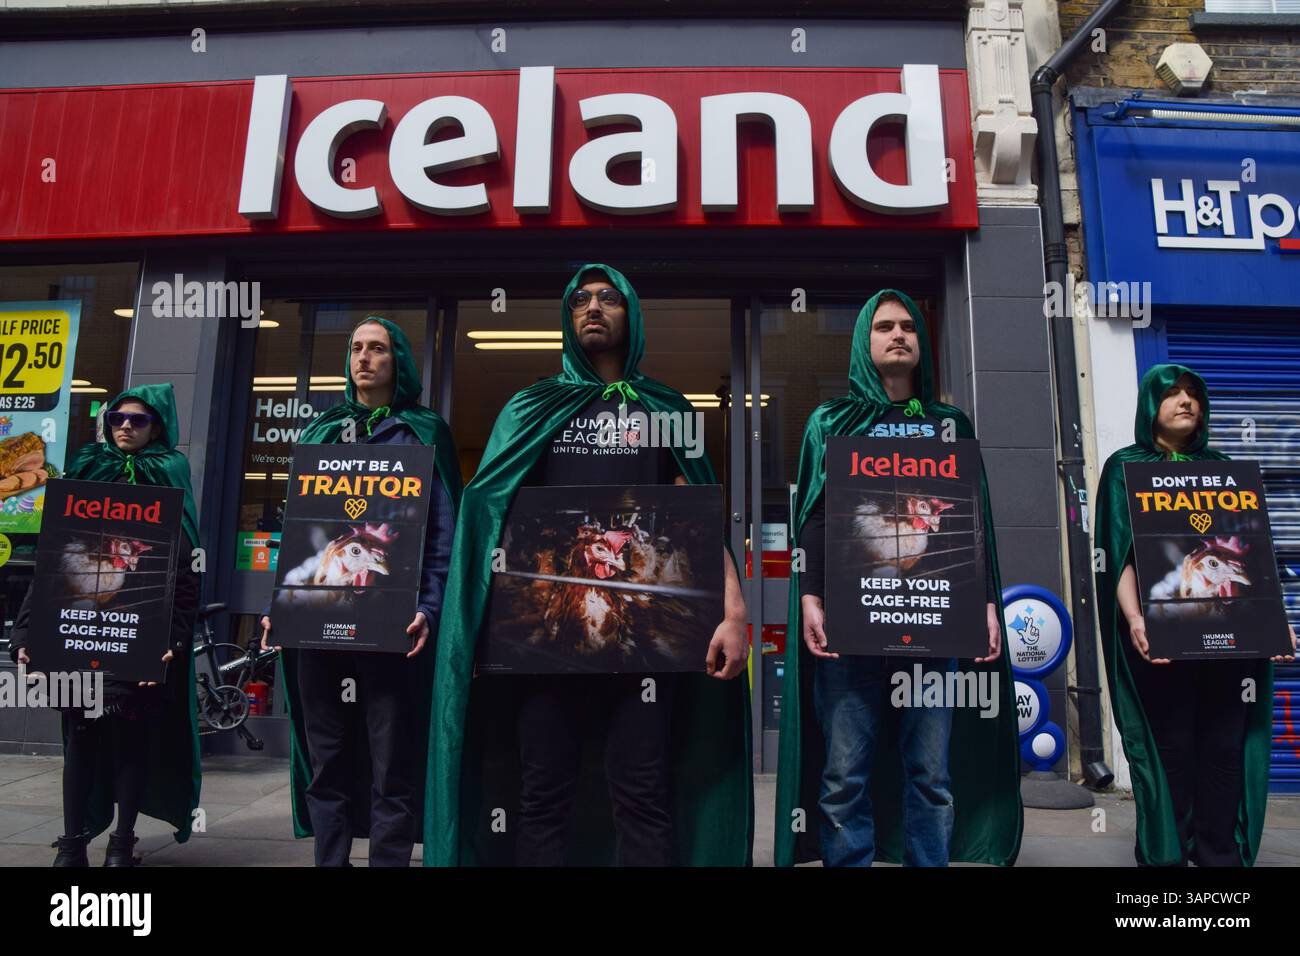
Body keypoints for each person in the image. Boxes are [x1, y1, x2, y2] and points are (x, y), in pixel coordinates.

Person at [424, 263, 752, 867]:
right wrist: (473, 627)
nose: (593, 307)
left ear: (632, 314)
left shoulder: (668, 409)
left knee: (644, 793)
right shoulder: (532, 409)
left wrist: (733, 608)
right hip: (547, 644)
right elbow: (488, 515)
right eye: (580, 300)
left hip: (646, 648)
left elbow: (700, 518)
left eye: (608, 298)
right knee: (542, 794)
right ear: (568, 319)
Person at [774, 289, 1022, 867]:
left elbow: (971, 523)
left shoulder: (949, 424)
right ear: (865, 342)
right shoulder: (830, 422)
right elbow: (813, 515)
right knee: (842, 776)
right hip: (850, 630)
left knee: (932, 774)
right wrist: (809, 595)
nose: (899, 334)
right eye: (884, 326)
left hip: (937, 629)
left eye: (909, 326)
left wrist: (986, 605)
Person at [261, 317, 461, 867]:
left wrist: (429, 607)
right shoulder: (321, 431)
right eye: (356, 348)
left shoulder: (424, 432)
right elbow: (297, 532)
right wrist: (278, 606)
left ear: (398, 359)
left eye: (377, 348)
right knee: (326, 760)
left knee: (390, 761)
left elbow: (443, 536)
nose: (364, 358)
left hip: (391, 629)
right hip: (316, 629)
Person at [1094, 363, 1296, 867]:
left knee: (1225, 747)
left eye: (1193, 395)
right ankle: (1168, 853)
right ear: (1150, 405)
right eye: (1173, 394)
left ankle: (1218, 856)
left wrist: (1276, 621)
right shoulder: (1125, 467)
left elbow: (1252, 553)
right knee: (1174, 748)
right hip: (1163, 639)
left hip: (1230, 645)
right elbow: (1117, 553)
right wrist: (1135, 619)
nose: (1185, 401)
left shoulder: (1224, 466)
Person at [9, 384, 202, 867]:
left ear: (156, 427)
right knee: (81, 740)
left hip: (138, 640)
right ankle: (72, 845)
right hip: (80, 633)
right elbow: (50, 565)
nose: (124, 427)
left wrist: (173, 640)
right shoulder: (87, 470)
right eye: (117, 417)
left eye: (138, 420)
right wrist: (25, 633)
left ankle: (122, 845)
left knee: (131, 742)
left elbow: (185, 574)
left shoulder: (169, 475)